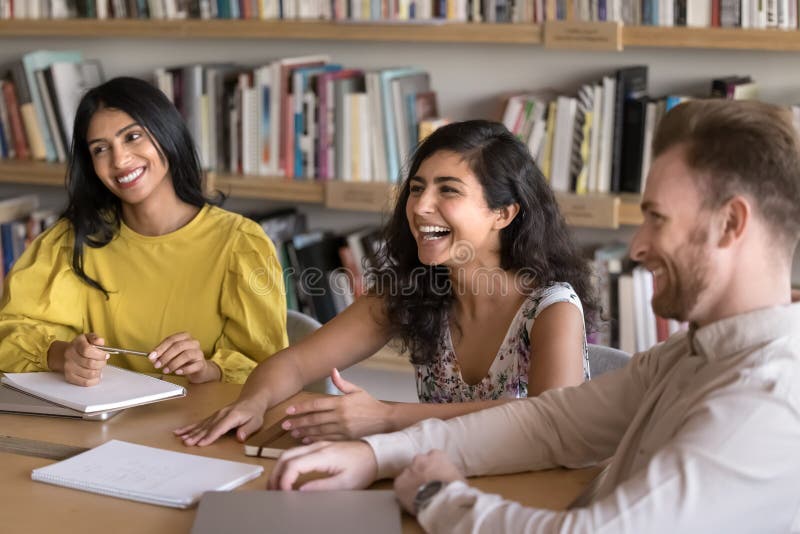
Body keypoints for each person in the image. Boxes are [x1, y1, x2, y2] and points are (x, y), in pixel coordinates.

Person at [267, 99, 800, 533]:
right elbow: (551, 421)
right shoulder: (688, 354)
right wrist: (375, 455)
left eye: (657, 219)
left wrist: (435, 494)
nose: (638, 247)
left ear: (730, 224)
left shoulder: (765, 405)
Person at [176, 120, 599, 446]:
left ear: (503, 213)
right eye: (416, 188)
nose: (421, 206)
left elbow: (549, 421)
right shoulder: (412, 290)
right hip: (440, 480)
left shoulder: (552, 309)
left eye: (448, 191)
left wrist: (386, 417)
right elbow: (295, 364)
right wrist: (252, 403)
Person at [0, 77, 287, 386]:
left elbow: (268, 368)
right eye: (100, 149)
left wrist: (207, 370)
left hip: (198, 413)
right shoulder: (70, 241)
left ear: (166, 132)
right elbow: (10, 332)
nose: (119, 160)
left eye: (133, 136)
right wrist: (62, 355)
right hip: (99, 414)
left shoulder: (241, 244)